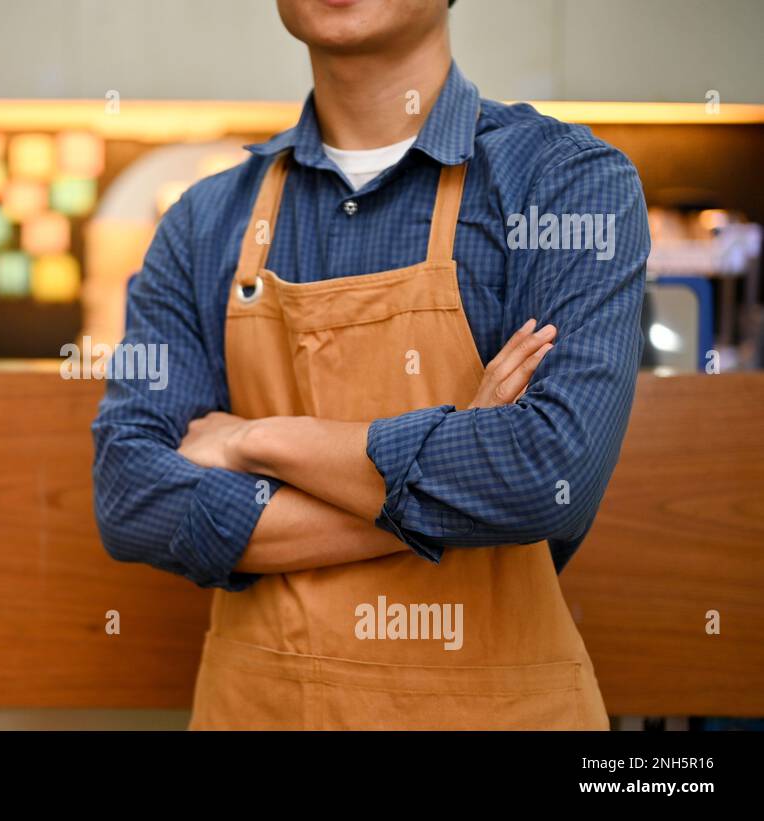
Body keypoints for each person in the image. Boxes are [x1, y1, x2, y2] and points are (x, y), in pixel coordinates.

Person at [90, 0, 649, 729]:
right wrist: (454, 483)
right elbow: (130, 496)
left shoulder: (565, 186)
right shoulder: (202, 224)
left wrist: (259, 441)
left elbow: (545, 476)